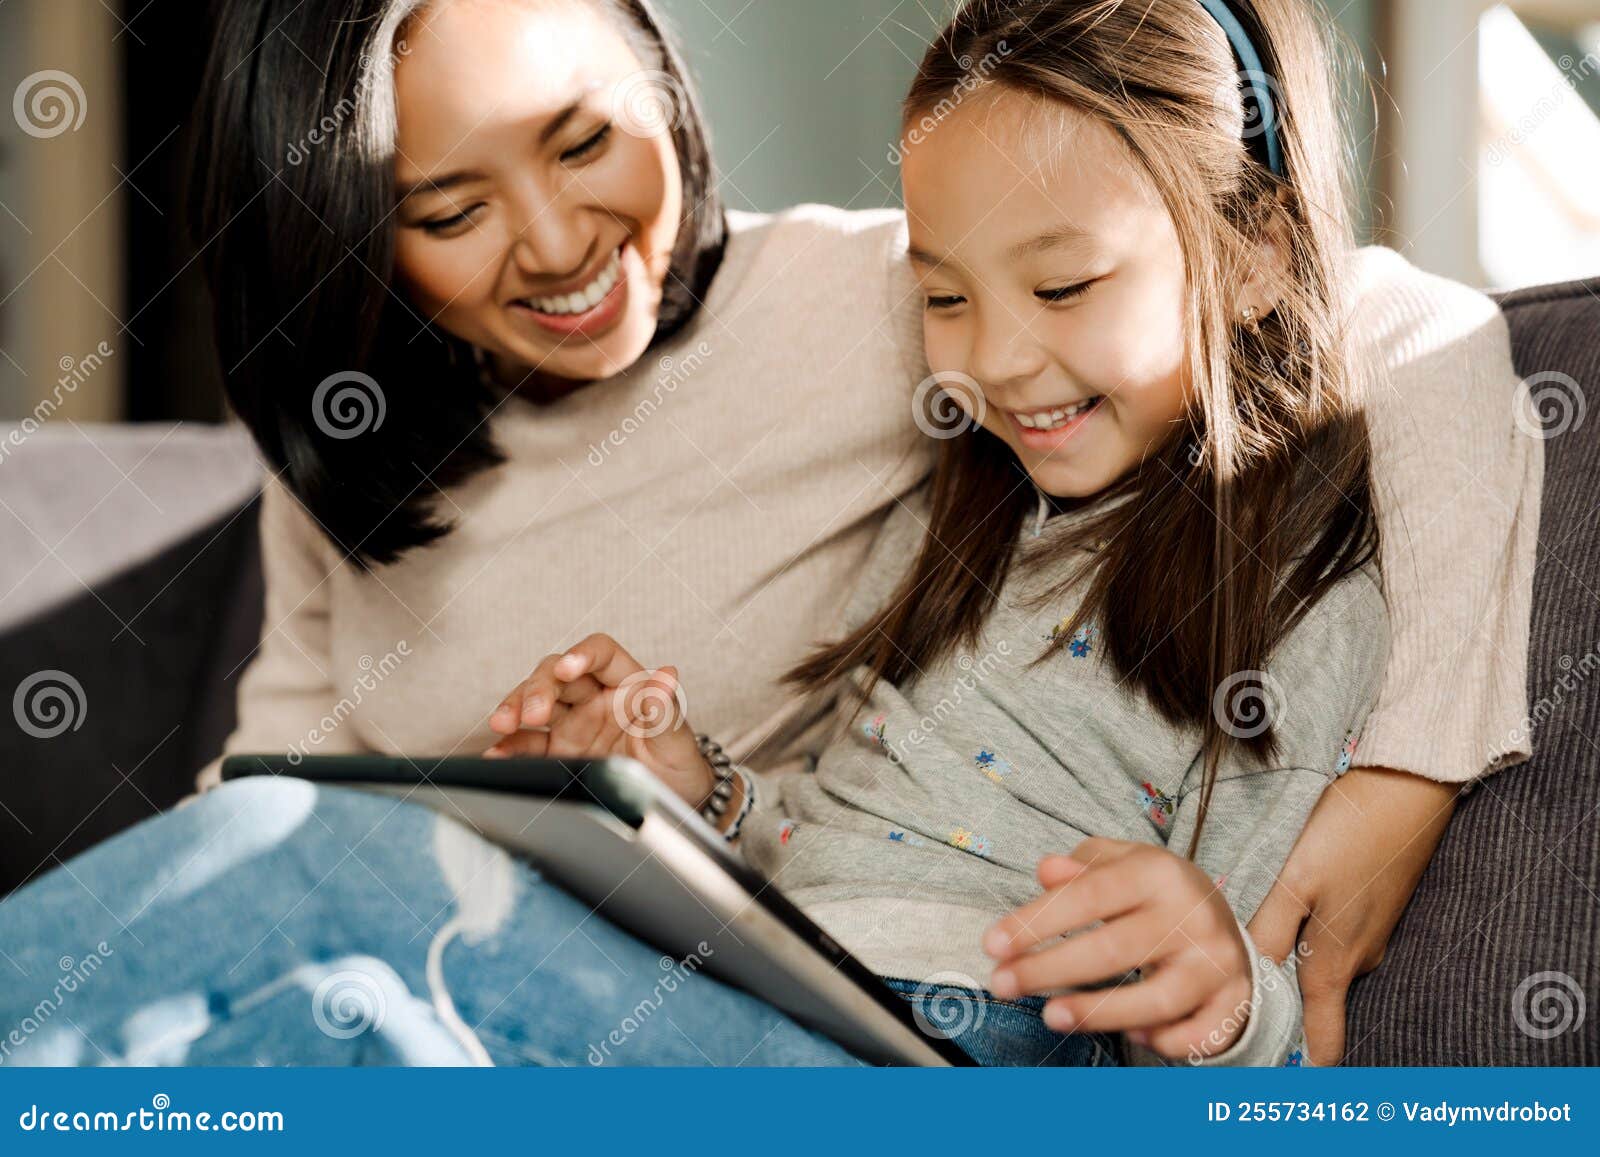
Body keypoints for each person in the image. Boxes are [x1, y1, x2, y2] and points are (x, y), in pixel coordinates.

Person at [0, 0, 1538, 1066]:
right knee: (311, 1008)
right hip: (666, 974)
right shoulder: (352, 446)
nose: (558, 240)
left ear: (662, 80)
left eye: (583, 142)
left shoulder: (900, 308)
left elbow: (1383, 319)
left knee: (322, 870)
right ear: (355, 235)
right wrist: (681, 791)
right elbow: (248, 812)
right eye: (452, 209)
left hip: (848, 1030)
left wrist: (1414, 763)